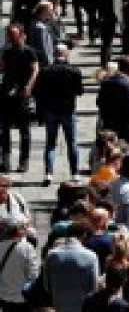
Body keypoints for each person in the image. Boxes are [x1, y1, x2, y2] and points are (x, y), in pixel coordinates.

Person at [34, 44, 84, 186]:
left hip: (51, 110)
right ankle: (75, 173)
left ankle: (48, 173)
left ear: (55, 54)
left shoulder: (46, 71)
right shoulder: (74, 71)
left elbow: (39, 92)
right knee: (72, 142)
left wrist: (39, 113)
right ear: (66, 54)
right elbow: (79, 91)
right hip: (68, 110)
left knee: (50, 143)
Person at [0, 24, 37, 174]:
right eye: (9, 34)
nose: (11, 37)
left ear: (21, 35)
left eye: (13, 34)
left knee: (24, 130)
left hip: (22, 94)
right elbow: (2, 67)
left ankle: (24, 160)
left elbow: (35, 69)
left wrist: (29, 86)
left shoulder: (29, 51)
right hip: (7, 93)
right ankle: (6, 160)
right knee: (4, 129)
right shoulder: (6, 51)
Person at [44, 221, 101, 312]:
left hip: (59, 306)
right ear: (84, 235)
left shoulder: (51, 255)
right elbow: (94, 288)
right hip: (82, 307)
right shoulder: (91, 256)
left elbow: (47, 286)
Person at [0, 213, 38, 309]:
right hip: (22, 297)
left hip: (3, 296)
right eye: (25, 227)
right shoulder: (27, 248)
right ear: (18, 230)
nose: (27, 230)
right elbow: (33, 275)